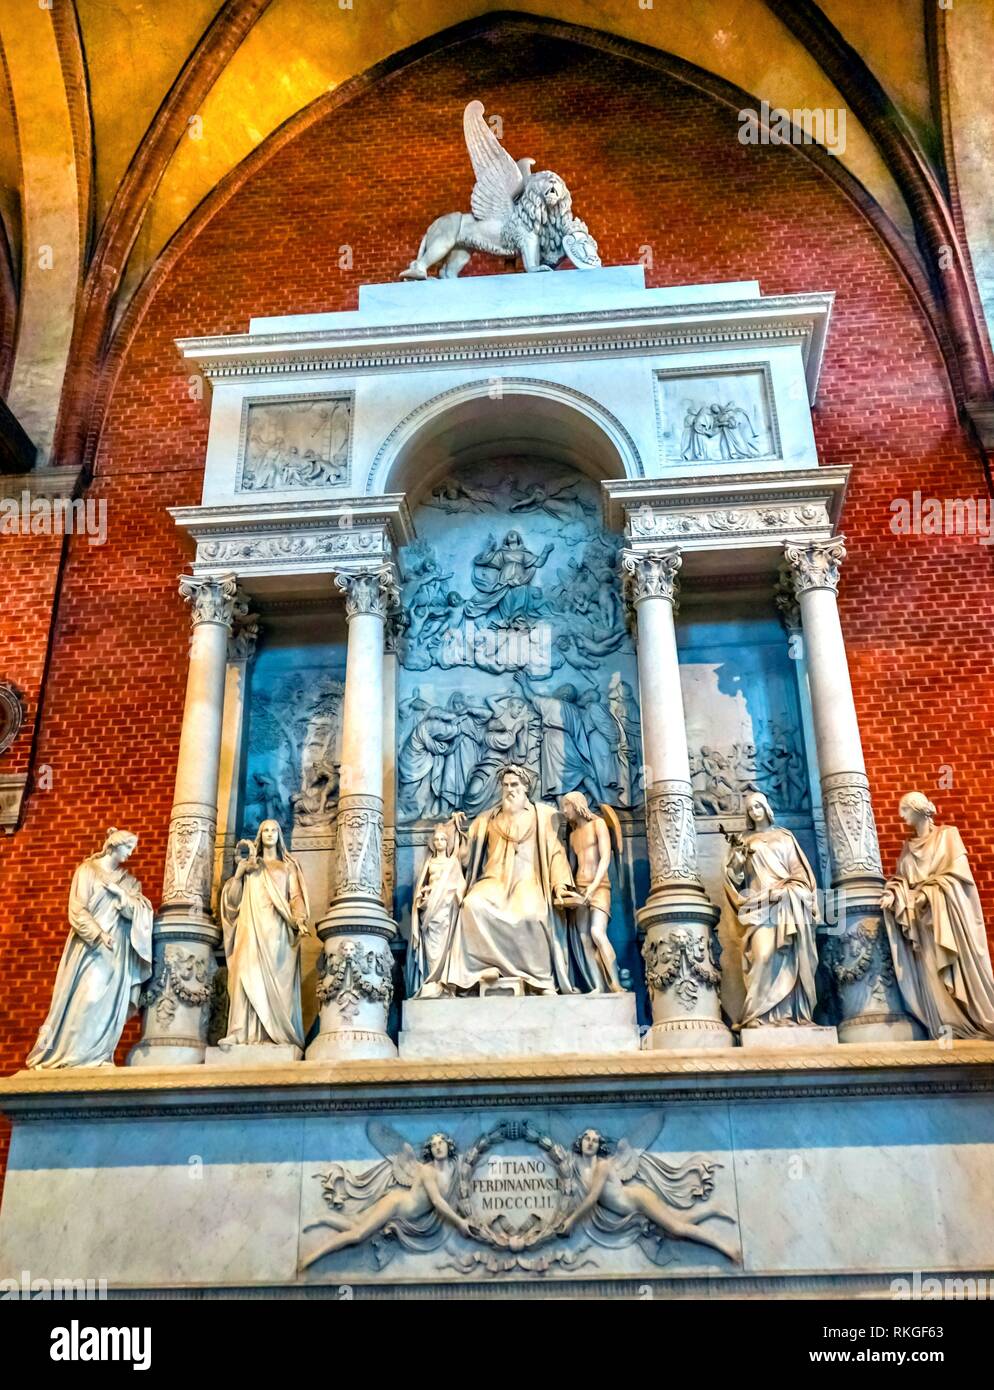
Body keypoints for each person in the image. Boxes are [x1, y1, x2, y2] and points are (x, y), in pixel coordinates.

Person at [427, 765, 575, 995]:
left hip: (528, 879)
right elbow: (466, 857)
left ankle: (540, 980)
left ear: (526, 787)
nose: (509, 790)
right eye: (505, 785)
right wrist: (454, 831)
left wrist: (560, 885)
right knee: (471, 906)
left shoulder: (543, 816)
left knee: (533, 915)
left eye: (514, 785)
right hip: (494, 879)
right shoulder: (487, 819)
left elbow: (556, 853)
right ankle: (478, 973)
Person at [27, 829, 153, 1069]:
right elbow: (76, 909)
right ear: (114, 845)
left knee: (107, 1003)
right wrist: (98, 933)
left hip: (117, 950)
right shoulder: (87, 871)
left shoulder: (128, 882)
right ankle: (72, 1055)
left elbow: (140, 911)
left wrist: (122, 897)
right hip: (91, 947)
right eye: (128, 848)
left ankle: (98, 1054)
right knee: (87, 997)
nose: (130, 853)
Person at [881, 792, 994, 1039]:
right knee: (932, 976)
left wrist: (928, 893)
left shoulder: (947, 836)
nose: (901, 815)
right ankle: (946, 1025)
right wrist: (893, 894)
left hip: (946, 918)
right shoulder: (907, 849)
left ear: (917, 809)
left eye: (904, 809)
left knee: (953, 970)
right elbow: (901, 882)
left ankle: (968, 1020)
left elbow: (959, 878)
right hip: (922, 924)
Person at [723, 792, 819, 1029]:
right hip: (759, 904)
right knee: (764, 955)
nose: (755, 811)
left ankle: (792, 1015)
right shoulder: (743, 840)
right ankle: (754, 1015)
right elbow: (735, 878)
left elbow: (800, 873)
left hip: (786, 901)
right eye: (750, 809)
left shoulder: (784, 837)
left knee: (789, 958)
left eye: (758, 806)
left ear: (766, 808)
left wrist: (788, 890)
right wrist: (736, 860)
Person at [219, 819, 310, 1049]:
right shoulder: (251, 866)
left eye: (274, 830)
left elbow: (295, 896)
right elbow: (232, 902)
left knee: (276, 982)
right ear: (259, 836)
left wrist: (299, 918)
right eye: (265, 830)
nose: (270, 834)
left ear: (280, 835)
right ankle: (239, 1032)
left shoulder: (288, 867)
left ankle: (275, 1034)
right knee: (244, 973)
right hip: (250, 926)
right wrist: (239, 874)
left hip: (277, 931)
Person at [560, 792, 624, 993]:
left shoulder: (598, 825)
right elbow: (570, 868)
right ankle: (598, 985)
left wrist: (594, 885)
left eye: (566, 806)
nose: (564, 811)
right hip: (580, 888)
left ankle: (615, 983)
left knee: (597, 932)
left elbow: (605, 858)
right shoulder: (572, 836)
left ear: (576, 805)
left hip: (599, 886)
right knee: (583, 937)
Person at [407, 823, 466, 998]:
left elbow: (461, 883)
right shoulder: (429, 863)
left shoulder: (452, 862)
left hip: (446, 907)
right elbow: (420, 886)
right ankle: (432, 980)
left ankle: (443, 981)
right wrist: (421, 895)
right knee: (432, 945)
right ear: (433, 843)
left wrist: (458, 895)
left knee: (445, 944)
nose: (439, 842)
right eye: (436, 840)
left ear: (447, 843)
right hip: (430, 908)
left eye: (442, 839)